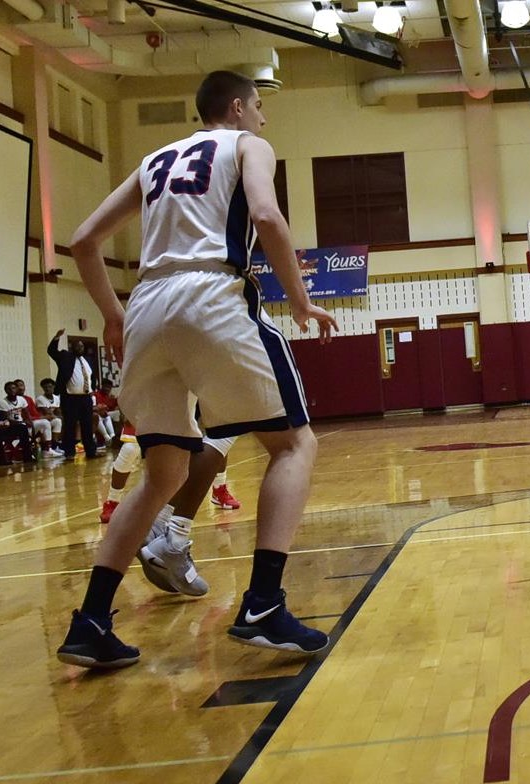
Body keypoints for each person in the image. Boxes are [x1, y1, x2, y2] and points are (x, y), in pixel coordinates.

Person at [54, 70, 341, 669]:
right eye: (259, 107)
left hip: (146, 306)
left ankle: (90, 623)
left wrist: (112, 317)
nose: (264, 119)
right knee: (293, 445)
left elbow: (82, 240)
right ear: (236, 109)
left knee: (161, 472)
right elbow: (265, 215)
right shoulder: (246, 146)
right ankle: (263, 604)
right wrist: (299, 298)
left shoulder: (154, 159)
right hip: (210, 294)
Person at [47, 329, 102, 460]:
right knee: (70, 425)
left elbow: (90, 377)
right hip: (70, 398)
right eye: (77, 345)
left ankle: (91, 451)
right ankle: (70, 452)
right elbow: (52, 351)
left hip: (85, 397)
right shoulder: (65, 357)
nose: (80, 347)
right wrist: (56, 338)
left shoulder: (86, 360)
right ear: (72, 347)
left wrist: (92, 389)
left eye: (82, 346)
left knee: (87, 425)